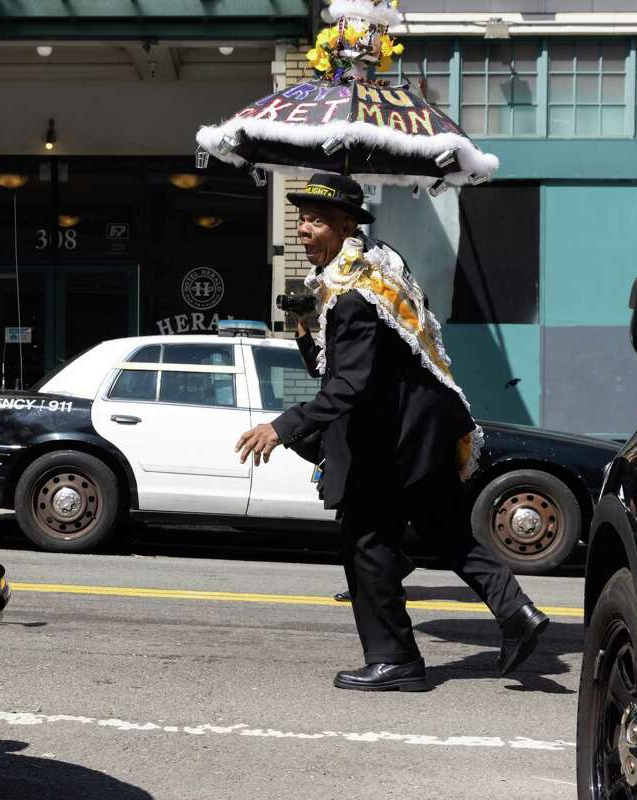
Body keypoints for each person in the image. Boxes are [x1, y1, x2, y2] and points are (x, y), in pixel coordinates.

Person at [235, 173, 548, 692]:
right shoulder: (376, 269)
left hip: (391, 437)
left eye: (315, 220)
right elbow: (342, 369)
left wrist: (282, 426)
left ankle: (395, 657)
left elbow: (349, 386)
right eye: (300, 220)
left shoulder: (354, 295)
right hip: (420, 428)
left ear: (346, 224)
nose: (303, 230)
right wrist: (306, 331)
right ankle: (517, 611)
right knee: (445, 530)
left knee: (367, 542)